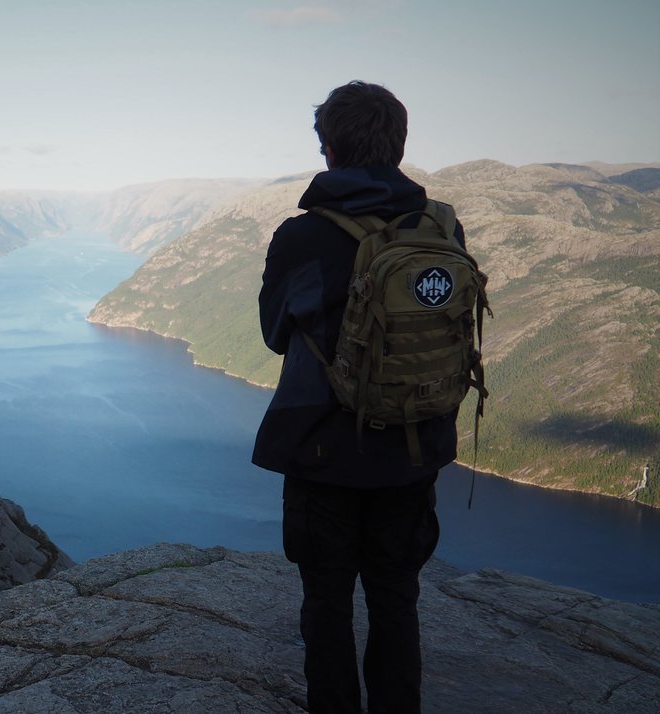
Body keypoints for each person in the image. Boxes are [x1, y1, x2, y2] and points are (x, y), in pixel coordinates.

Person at [253, 80, 463, 714]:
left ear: (329, 149)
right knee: (397, 598)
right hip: (412, 442)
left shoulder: (304, 237)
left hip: (326, 451)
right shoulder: (441, 230)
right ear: (399, 146)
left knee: (327, 602)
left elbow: (273, 334)